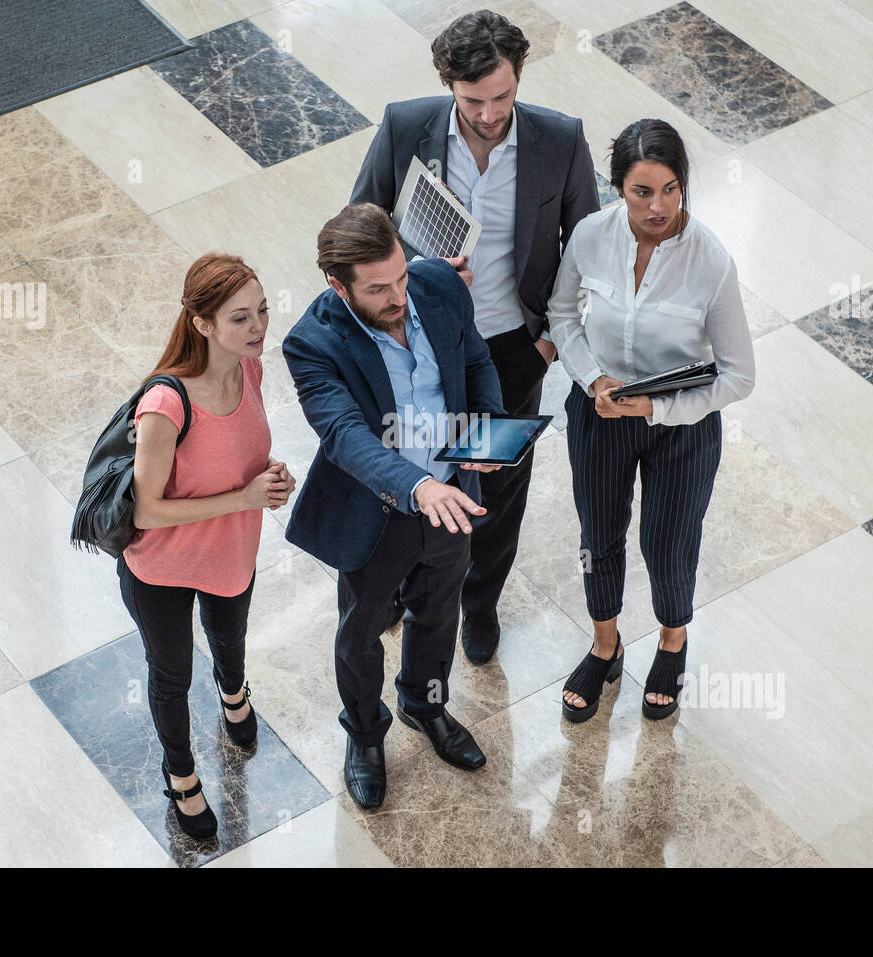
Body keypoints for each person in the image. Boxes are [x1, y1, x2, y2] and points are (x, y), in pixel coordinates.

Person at [351, 9, 599, 665]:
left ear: (519, 78)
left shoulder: (560, 140)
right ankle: (404, 586)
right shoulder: (407, 127)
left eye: (503, 97)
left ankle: (479, 603)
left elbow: (589, 255)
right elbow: (357, 228)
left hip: (512, 351)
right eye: (473, 101)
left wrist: (545, 345)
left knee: (496, 486)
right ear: (447, 85)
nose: (490, 115)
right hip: (418, 347)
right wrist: (414, 262)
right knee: (412, 467)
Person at [281, 203, 506, 809]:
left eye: (400, 276)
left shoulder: (434, 285)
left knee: (438, 612)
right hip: (378, 513)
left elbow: (476, 358)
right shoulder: (313, 341)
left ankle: (424, 706)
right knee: (361, 631)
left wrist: (481, 431)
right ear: (339, 285)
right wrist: (417, 486)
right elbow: (345, 436)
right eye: (378, 289)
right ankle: (363, 734)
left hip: (453, 496)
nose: (398, 295)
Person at [546, 119, 756, 724]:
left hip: (682, 426)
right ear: (618, 190)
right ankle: (605, 643)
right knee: (599, 536)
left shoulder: (711, 262)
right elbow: (562, 314)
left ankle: (671, 640)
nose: (658, 205)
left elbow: (738, 376)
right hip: (601, 411)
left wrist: (658, 407)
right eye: (642, 191)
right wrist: (593, 379)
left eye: (670, 188)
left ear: (684, 185)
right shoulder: (590, 236)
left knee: (668, 541)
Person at [116, 252, 296, 839]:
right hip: (161, 566)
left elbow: (239, 455)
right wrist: (243, 500)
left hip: (231, 549)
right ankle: (183, 776)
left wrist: (269, 477)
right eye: (240, 318)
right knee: (172, 675)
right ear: (203, 323)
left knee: (230, 637)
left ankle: (235, 697)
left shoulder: (251, 369)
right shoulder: (166, 404)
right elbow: (146, 508)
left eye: (263, 311)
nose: (259, 327)